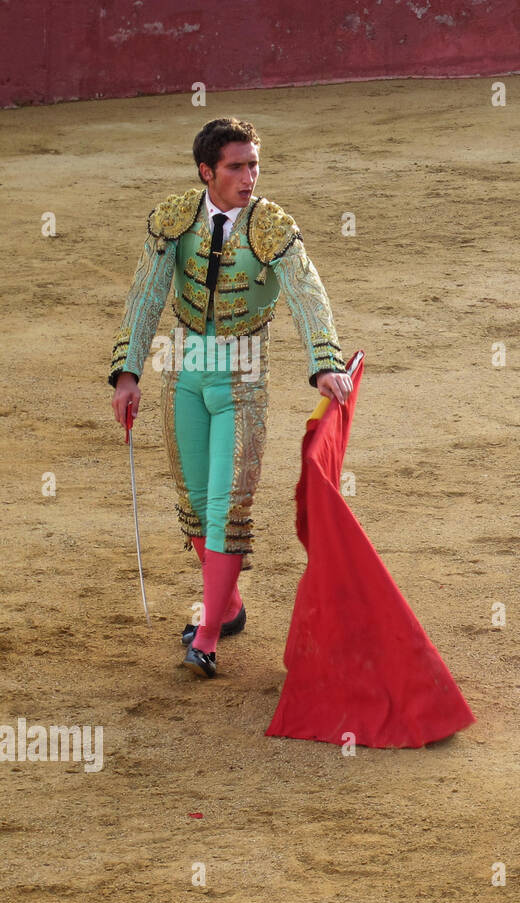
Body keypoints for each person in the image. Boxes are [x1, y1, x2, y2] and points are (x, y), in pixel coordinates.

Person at [109, 117, 354, 678]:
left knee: (227, 509)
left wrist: (325, 362)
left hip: (242, 379)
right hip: (184, 373)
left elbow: (308, 295)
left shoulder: (272, 227)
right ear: (207, 172)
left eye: (254, 165)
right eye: (236, 167)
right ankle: (230, 603)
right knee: (196, 506)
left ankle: (209, 636)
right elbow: (146, 294)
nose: (249, 177)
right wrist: (127, 373)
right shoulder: (174, 219)